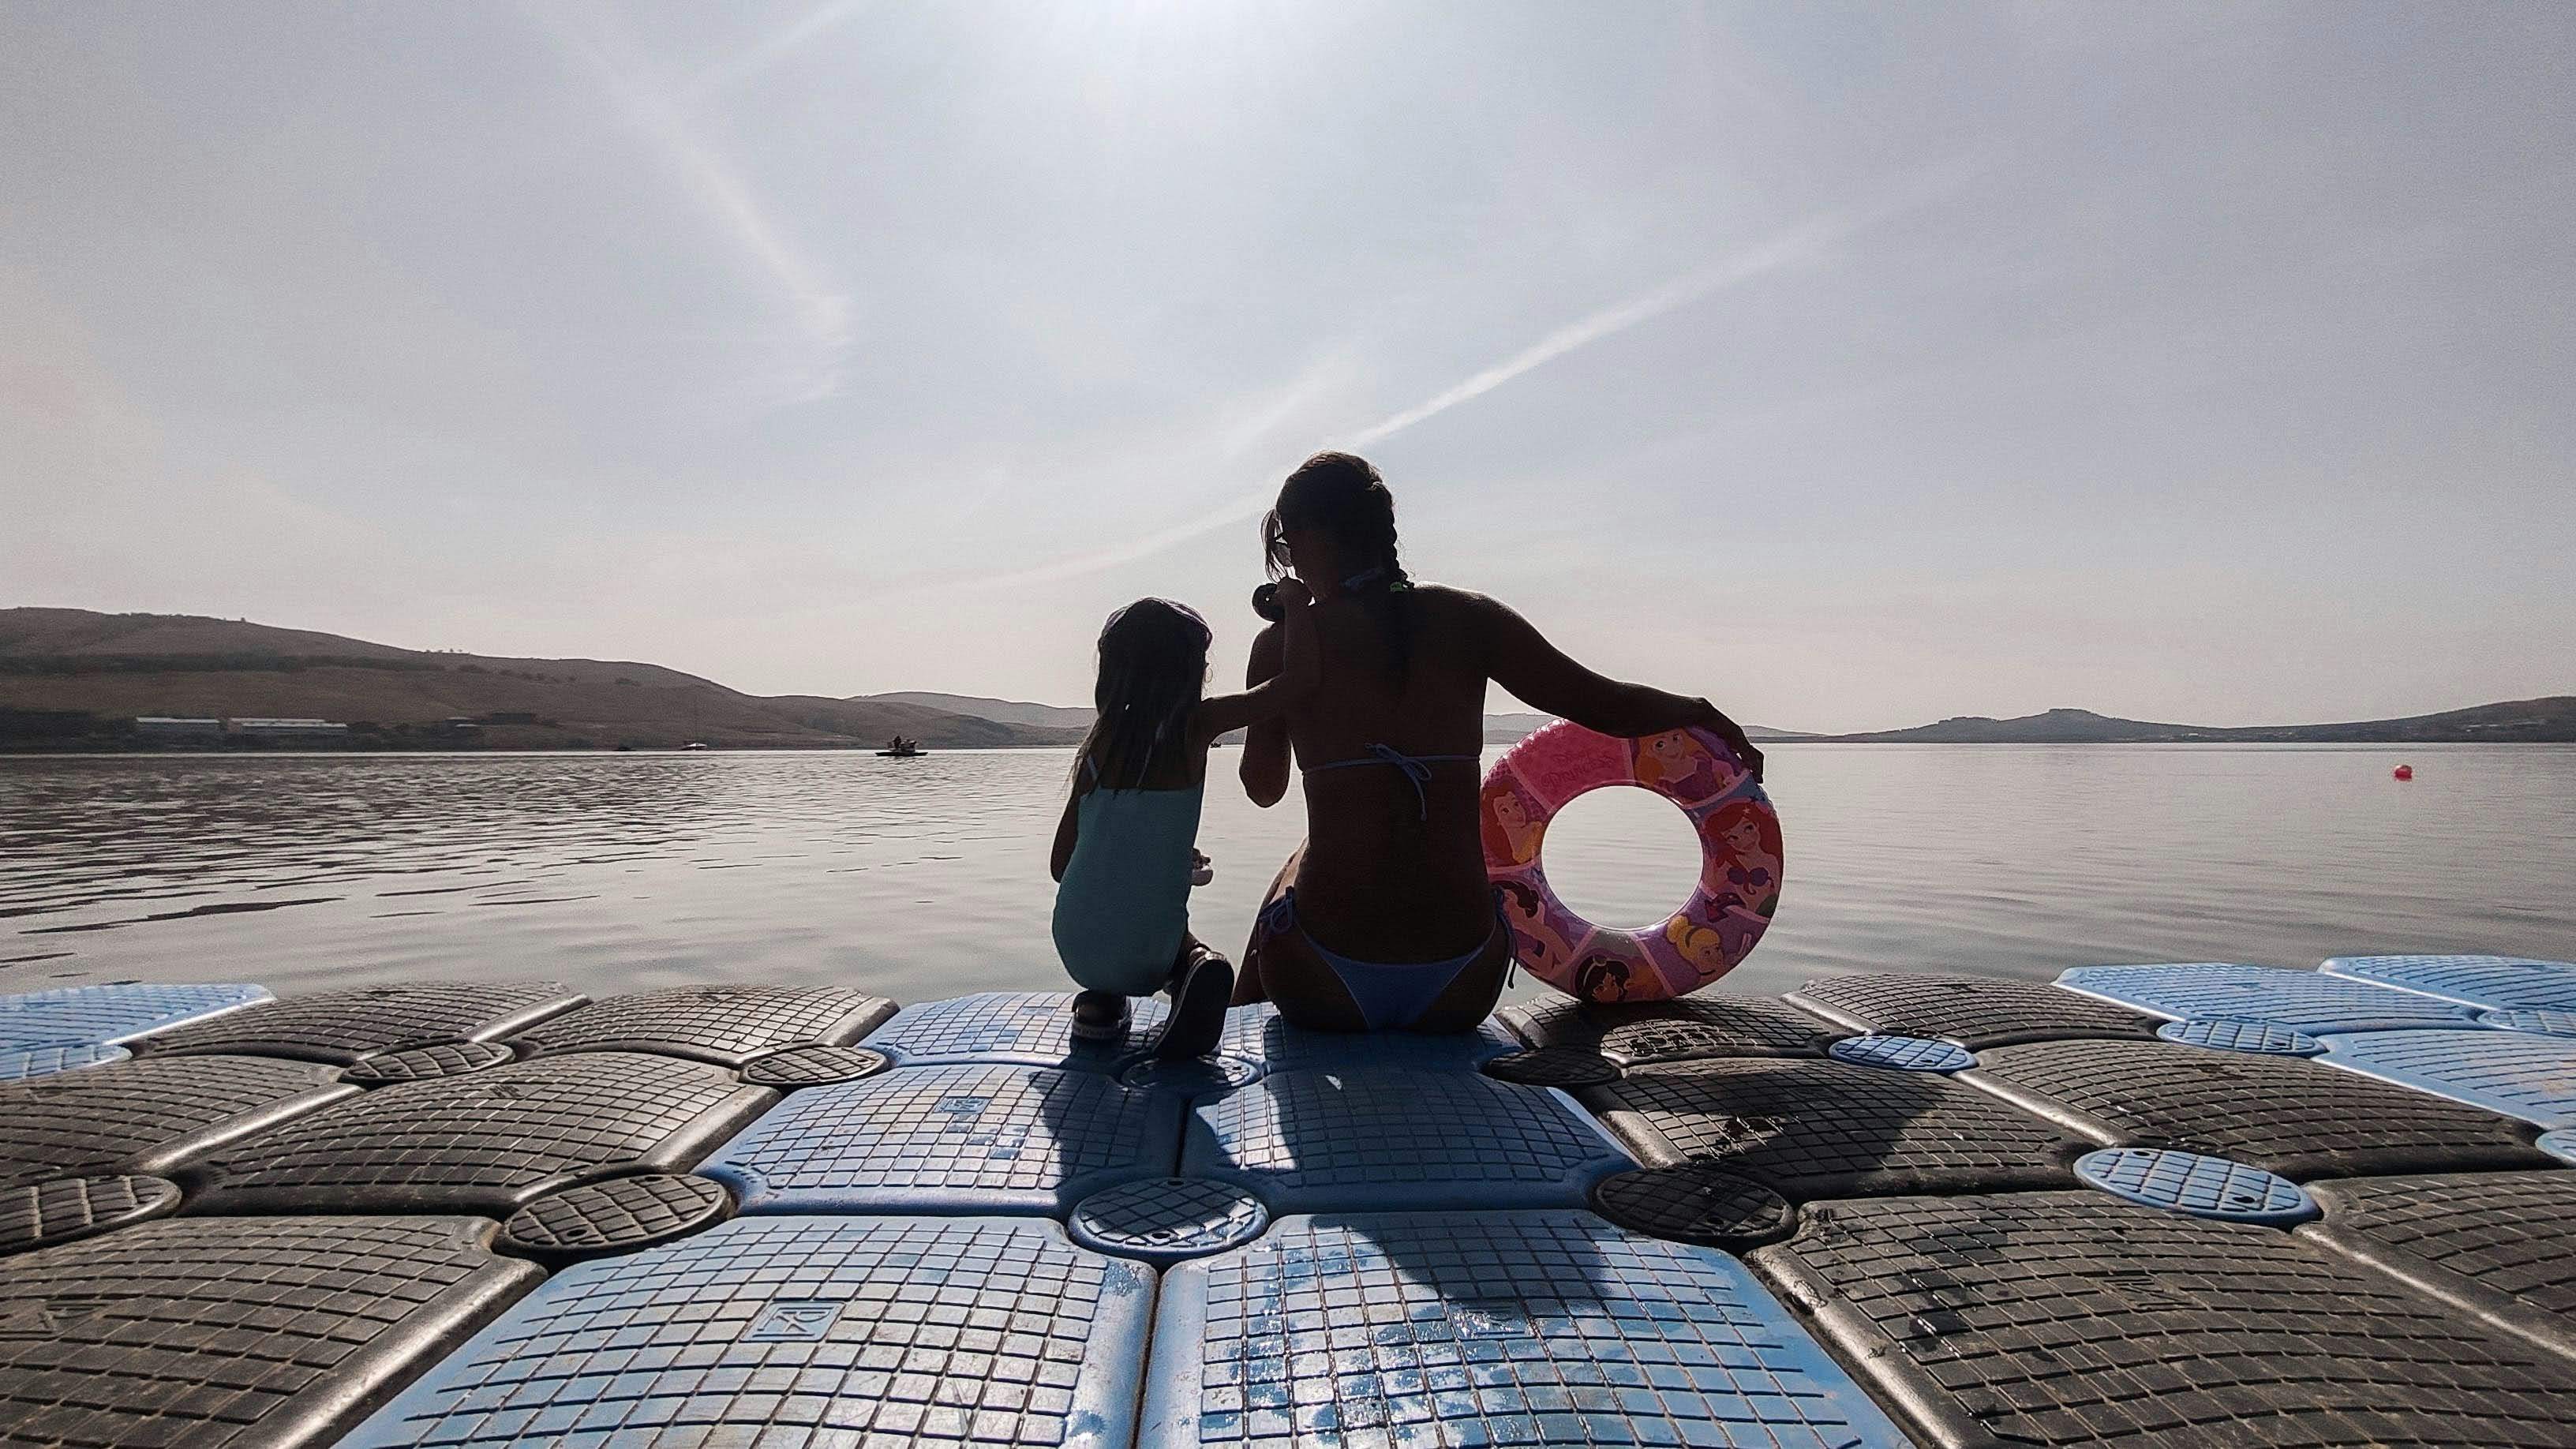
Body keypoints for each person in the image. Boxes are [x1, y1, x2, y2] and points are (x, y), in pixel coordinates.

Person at [1237, 451, 1763, 1032]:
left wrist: (1288, 653)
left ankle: (1226, 1028)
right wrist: (1701, 712)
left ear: (1311, 537)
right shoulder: (1470, 618)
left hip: (1322, 980)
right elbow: (1606, 705)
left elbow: (1263, 789)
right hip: (1460, 983)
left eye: (1286, 547)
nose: (1290, 564)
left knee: (1295, 864)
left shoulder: (1283, 647)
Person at [1051, 590, 1317, 1058]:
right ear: (1192, 668)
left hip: (1074, 943)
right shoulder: (1197, 722)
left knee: (1110, 940)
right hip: (1150, 946)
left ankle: (1099, 1006)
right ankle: (1193, 968)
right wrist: (1295, 606)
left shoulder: (1096, 749)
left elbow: (1061, 865)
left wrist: (1158, 855)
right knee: (1181, 948)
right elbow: (1295, 684)